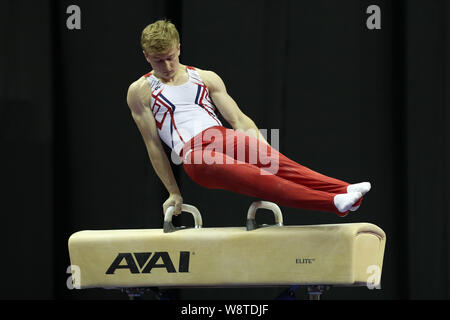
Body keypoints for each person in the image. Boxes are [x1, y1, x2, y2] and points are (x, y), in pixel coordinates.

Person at [126, 19, 370, 218]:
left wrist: (263, 157)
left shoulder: (206, 78)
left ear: (178, 48)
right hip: (194, 154)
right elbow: (153, 145)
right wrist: (173, 192)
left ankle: (342, 189)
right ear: (147, 56)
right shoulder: (141, 91)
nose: (167, 65)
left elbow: (240, 121)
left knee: (277, 164)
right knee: (257, 179)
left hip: (221, 136)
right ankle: (333, 203)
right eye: (159, 60)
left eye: (171, 57)